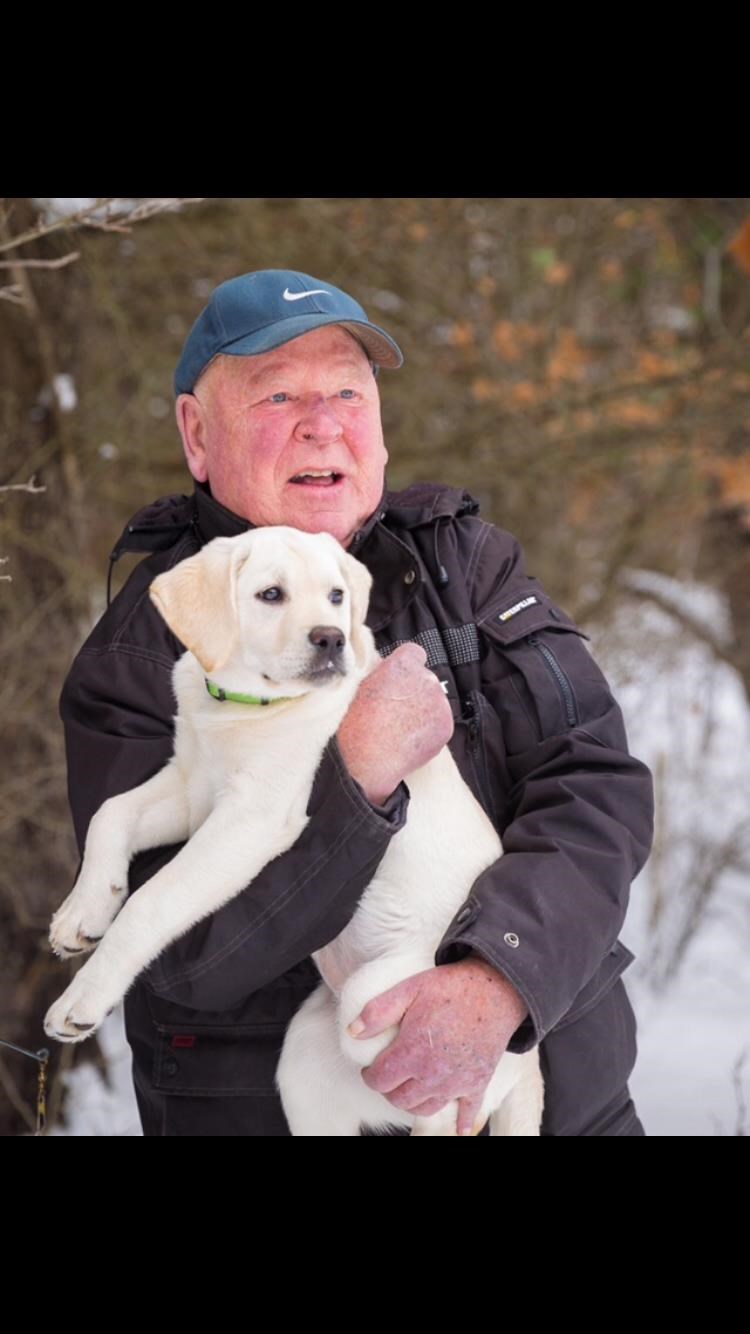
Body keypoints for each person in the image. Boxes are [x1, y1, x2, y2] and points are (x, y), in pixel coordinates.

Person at [59, 269, 654, 1136]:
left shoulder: (465, 566)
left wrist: (498, 978)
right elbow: (188, 964)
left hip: (562, 1101)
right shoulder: (145, 651)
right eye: (279, 395)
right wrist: (355, 779)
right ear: (197, 434)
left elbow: (595, 786)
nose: (324, 422)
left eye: (348, 392)